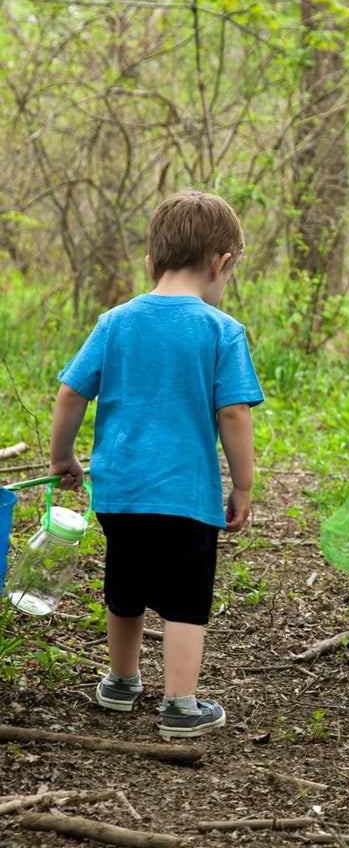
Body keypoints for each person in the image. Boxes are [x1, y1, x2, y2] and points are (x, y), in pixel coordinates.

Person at [49, 190, 264, 738]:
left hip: (120, 492)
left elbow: (72, 393)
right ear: (223, 264)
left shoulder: (115, 322)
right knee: (186, 598)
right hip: (187, 497)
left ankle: (120, 683)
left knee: (125, 585)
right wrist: (242, 484)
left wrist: (62, 457)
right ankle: (180, 704)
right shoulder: (221, 331)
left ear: (151, 262)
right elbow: (234, 414)